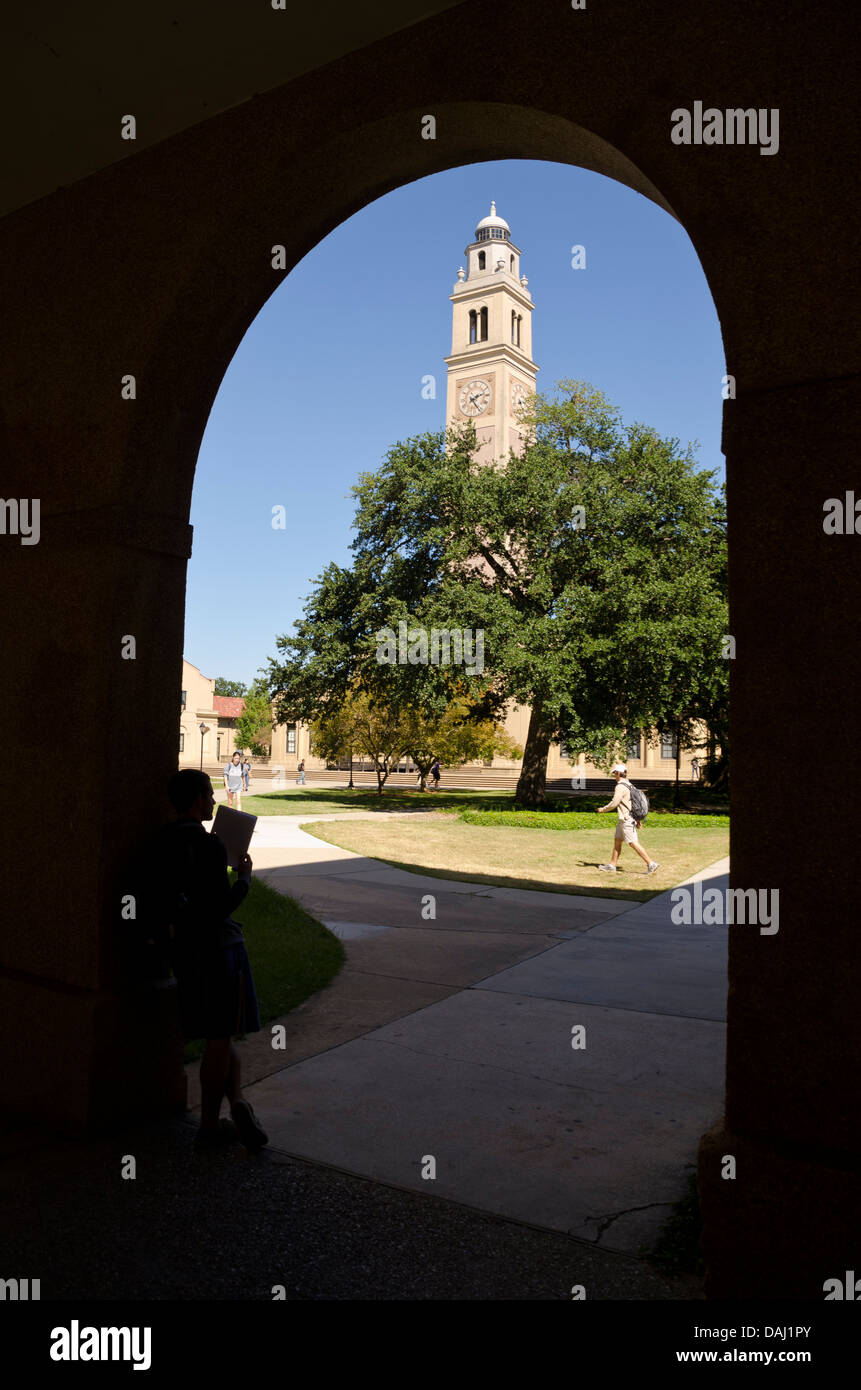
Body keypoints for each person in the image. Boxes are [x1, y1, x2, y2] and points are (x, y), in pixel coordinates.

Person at [163, 768, 268, 1150]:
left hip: (184, 950)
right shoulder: (210, 846)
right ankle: (209, 1127)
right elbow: (221, 906)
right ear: (195, 800)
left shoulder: (163, 841)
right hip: (217, 950)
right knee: (221, 1037)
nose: (212, 801)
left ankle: (238, 1101)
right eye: (208, 795)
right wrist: (243, 878)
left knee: (217, 1035)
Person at [596, 763, 659, 875]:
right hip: (626, 819)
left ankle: (651, 863)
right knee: (617, 841)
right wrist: (638, 819)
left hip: (626, 820)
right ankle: (612, 865)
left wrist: (603, 809)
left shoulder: (620, 786)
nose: (614, 775)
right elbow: (634, 804)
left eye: (615, 773)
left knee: (632, 842)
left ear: (619, 774)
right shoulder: (630, 785)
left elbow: (614, 803)